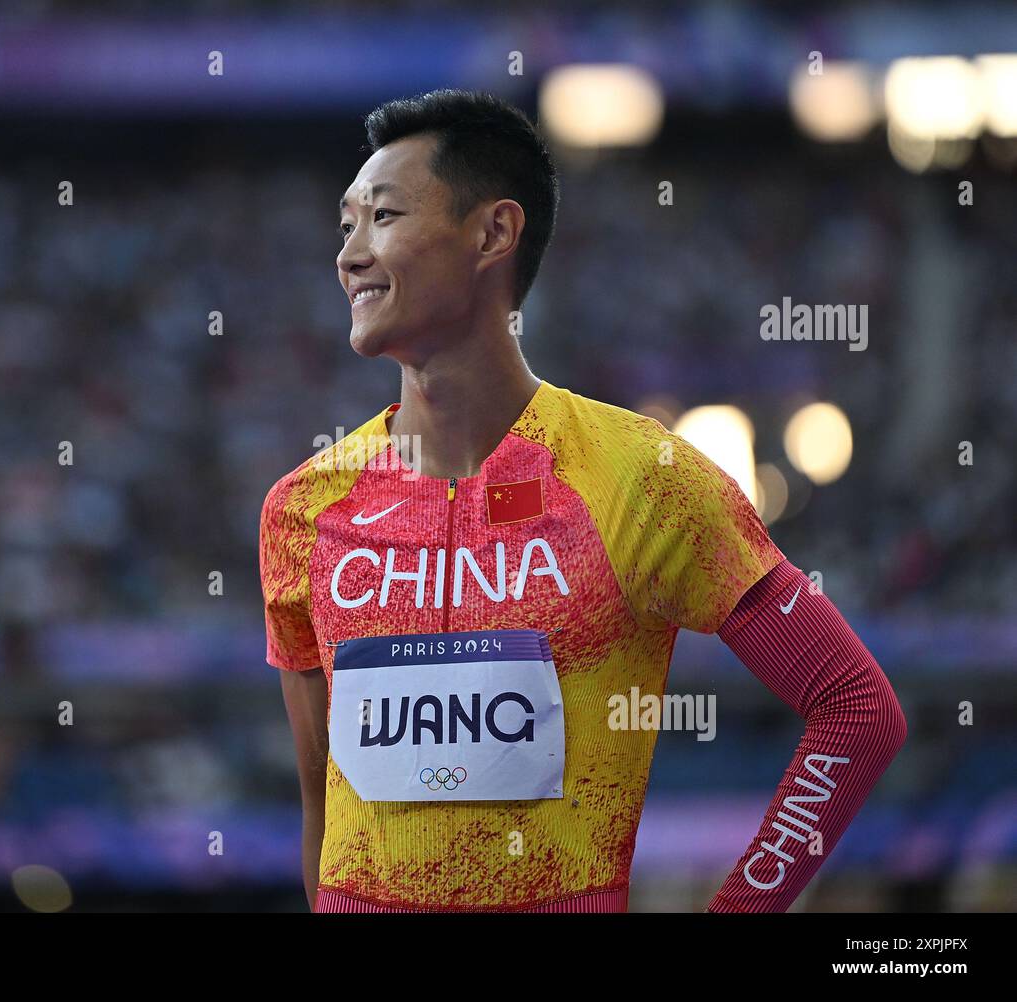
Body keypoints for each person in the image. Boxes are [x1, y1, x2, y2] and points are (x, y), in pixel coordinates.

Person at [258, 89, 906, 913]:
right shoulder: (303, 510)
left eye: (382, 217)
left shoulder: (643, 476)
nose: (349, 254)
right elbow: (320, 804)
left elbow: (858, 711)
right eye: (344, 224)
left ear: (493, 233)